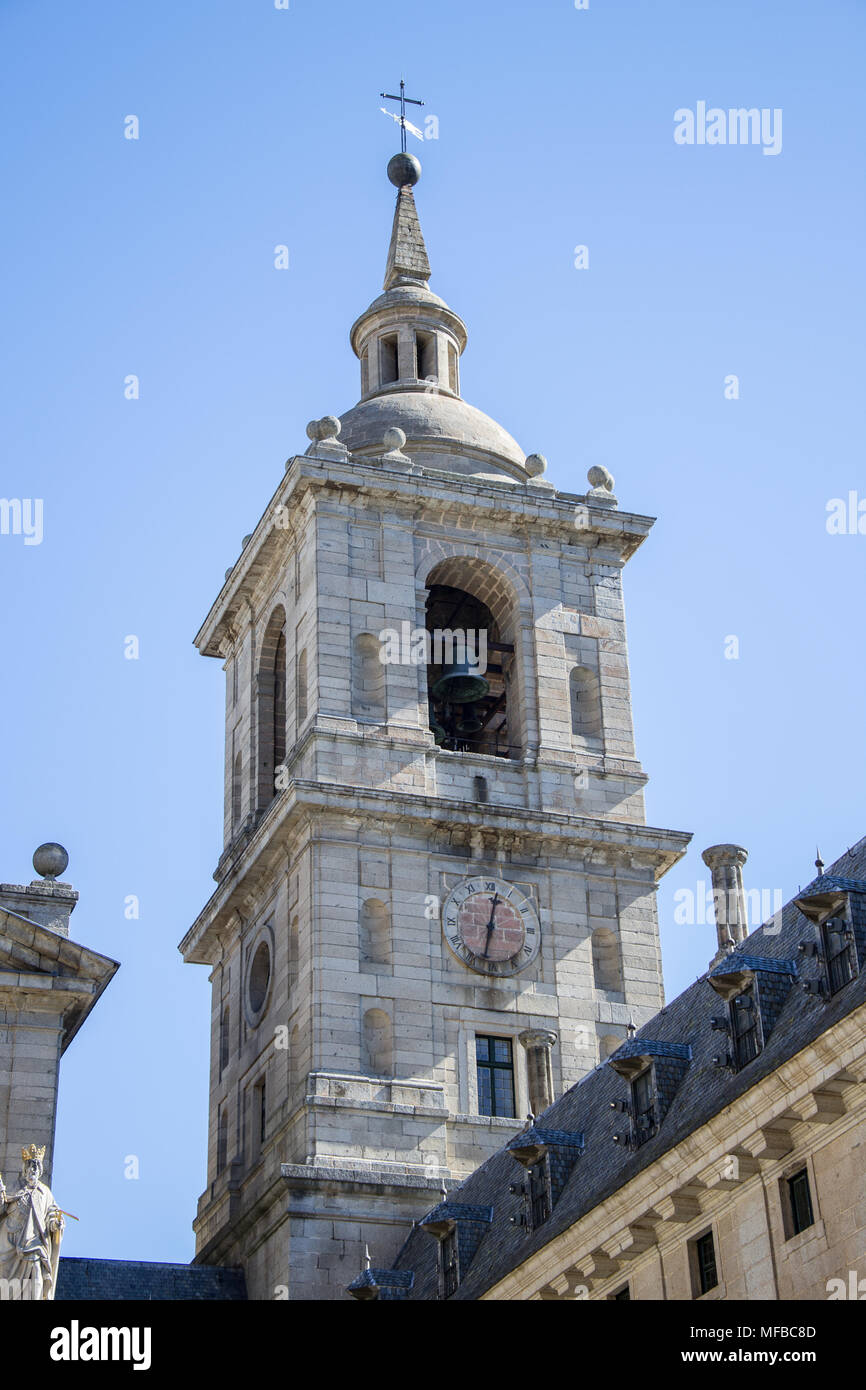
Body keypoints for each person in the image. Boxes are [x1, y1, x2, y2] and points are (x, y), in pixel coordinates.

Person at [0, 1144, 65, 1300]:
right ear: (24, 1171)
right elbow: (3, 1209)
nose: (32, 1172)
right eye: (29, 1169)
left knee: (37, 1267)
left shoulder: (45, 1193)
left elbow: (52, 1214)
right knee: (6, 1278)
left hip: (35, 1240)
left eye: (35, 1169)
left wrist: (56, 1223)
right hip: (11, 1238)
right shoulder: (15, 1187)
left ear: (40, 1171)